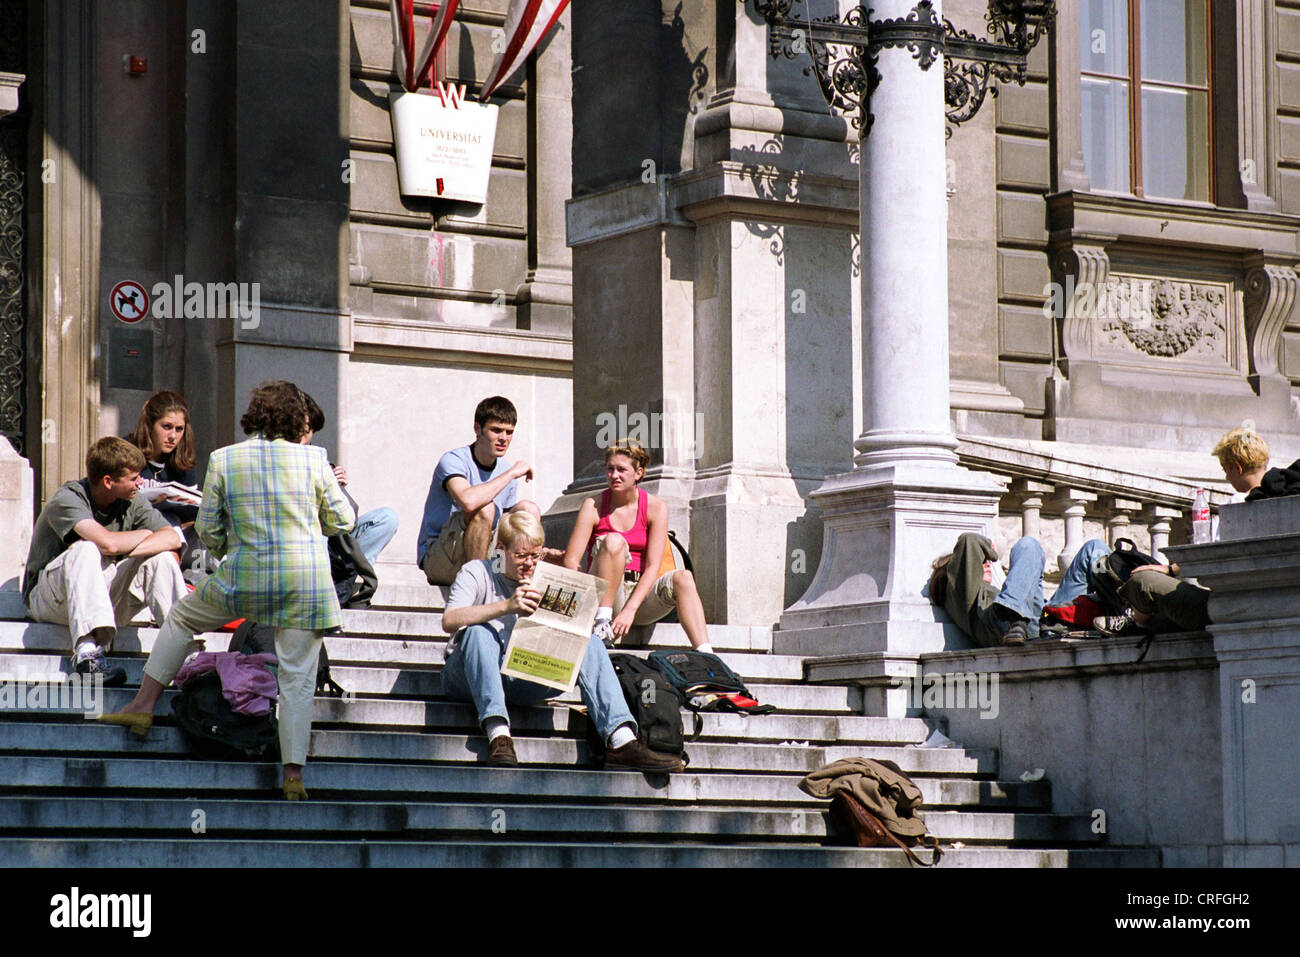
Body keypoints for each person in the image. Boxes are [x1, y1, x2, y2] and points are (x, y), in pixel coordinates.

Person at [99, 380, 355, 800]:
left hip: (244, 577)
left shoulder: (225, 458)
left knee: (181, 617)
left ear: (254, 415)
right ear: (295, 419)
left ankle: (142, 707)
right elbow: (343, 520)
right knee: (297, 679)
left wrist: (226, 547)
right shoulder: (314, 459)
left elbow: (209, 528)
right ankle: (293, 776)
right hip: (305, 583)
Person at [440, 509, 681, 772]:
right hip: (468, 676)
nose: (529, 564)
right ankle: (499, 735)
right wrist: (507, 606)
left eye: (535, 555)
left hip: (524, 671)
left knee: (591, 643)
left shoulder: (544, 578)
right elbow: (450, 620)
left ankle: (621, 739)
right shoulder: (477, 572)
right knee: (478, 632)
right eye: (520, 556)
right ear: (501, 548)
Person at [23, 437, 188, 686]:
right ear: (108, 481)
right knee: (86, 549)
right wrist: (143, 536)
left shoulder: (133, 500)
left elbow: (172, 539)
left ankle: (185, 654)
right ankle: (88, 655)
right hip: (50, 600)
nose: (140, 482)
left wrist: (132, 549)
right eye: (133, 478)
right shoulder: (68, 499)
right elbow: (106, 543)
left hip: (102, 598)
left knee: (162, 558)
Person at [562, 439, 714, 651]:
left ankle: (706, 652)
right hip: (604, 593)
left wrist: (630, 610)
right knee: (614, 540)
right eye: (610, 469)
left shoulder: (655, 507)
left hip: (642, 597)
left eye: (621, 470)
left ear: (639, 473)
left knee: (684, 577)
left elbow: (653, 566)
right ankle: (602, 623)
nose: (614, 475)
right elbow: (571, 559)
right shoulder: (593, 505)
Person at [417, 395, 542, 586]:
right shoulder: (453, 460)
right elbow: (468, 501)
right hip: (441, 555)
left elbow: (506, 529)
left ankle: (521, 586)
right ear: (478, 429)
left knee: (528, 510)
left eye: (509, 432)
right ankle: (475, 586)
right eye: (496, 430)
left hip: (487, 554)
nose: (503, 438)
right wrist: (511, 474)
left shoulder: (505, 470)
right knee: (485, 508)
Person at [928, 532, 1111, 647]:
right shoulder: (963, 595)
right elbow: (970, 540)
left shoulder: (994, 593)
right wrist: (991, 550)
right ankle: (1012, 617)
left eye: (987, 561)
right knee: (1028, 545)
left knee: (1094, 548)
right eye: (980, 562)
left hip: (1043, 621)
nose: (987, 564)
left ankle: (1127, 605)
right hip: (1007, 626)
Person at [300, 391, 398, 567]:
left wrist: (337, 487)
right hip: (304, 541)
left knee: (387, 518)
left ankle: (356, 571)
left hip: (336, 538)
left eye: (310, 429)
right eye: (304, 428)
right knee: (319, 532)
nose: (307, 434)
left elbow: (349, 517)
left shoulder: (319, 460)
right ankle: (328, 582)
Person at [127, 390, 200, 527]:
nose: (173, 436)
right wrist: (154, 506)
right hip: (133, 527)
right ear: (149, 425)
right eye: (167, 427)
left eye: (179, 429)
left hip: (175, 529)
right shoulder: (125, 452)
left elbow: (192, 518)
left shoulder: (183, 460)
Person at [1212, 427, 1270, 497]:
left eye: (1225, 470)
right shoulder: (1282, 489)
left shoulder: (1239, 500)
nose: (1227, 478)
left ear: (1237, 468)